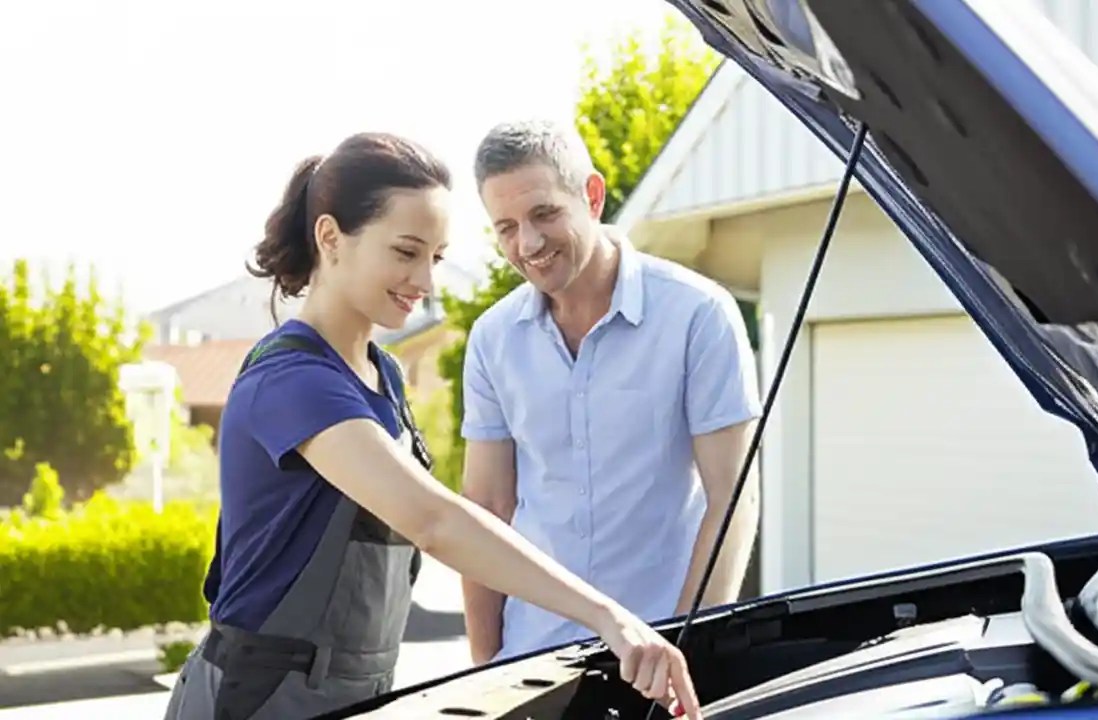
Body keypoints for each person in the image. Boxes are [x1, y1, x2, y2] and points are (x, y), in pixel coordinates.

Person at [162, 132, 702, 720]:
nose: (425, 281)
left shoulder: (383, 376)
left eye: (436, 257)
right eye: (405, 251)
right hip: (257, 701)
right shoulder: (292, 381)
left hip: (359, 696)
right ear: (329, 237)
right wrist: (609, 616)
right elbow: (434, 520)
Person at [460, 119, 763, 665]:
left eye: (544, 214)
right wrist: (484, 668)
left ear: (592, 195)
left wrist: (689, 648)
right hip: (529, 664)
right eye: (505, 227)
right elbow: (487, 510)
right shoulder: (492, 340)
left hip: (659, 654)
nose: (527, 244)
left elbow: (732, 496)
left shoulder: (698, 316)